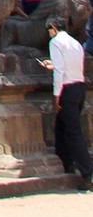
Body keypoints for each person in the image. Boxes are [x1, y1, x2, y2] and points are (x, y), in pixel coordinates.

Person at [39, 15, 92, 190]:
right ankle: (66, 163)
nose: (49, 33)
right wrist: (53, 64)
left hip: (67, 90)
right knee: (62, 127)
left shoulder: (55, 42)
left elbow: (60, 72)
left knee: (73, 132)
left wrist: (56, 95)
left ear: (53, 28)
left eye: (49, 30)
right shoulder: (75, 43)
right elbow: (69, 66)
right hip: (79, 87)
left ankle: (87, 174)